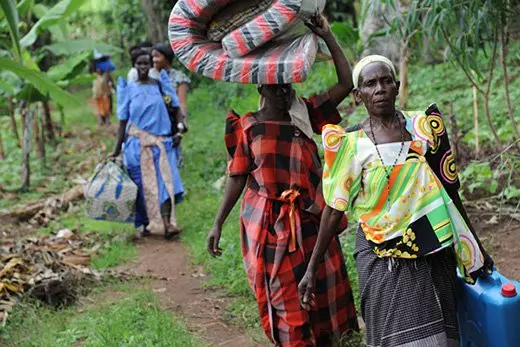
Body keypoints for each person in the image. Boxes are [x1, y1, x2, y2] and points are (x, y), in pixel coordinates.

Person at [298, 55, 494, 347]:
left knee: (442, 334)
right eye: (370, 83)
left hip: (433, 249)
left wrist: (474, 246)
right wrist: (311, 268)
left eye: (386, 81)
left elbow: (450, 192)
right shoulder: (350, 144)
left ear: (397, 86)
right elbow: (333, 209)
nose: (379, 88)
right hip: (380, 256)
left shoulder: (424, 127)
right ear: (357, 95)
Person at [206, 15, 358, 346]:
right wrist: (217, 223)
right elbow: (237, 176)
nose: (281, 92)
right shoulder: (248, 128)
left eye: (286, 85)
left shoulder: (305, 113)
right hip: (268, 226)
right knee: (283, 292)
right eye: (274, 86)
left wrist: (328, 36)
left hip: (311, 220)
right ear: (260, 87)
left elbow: (347, 82)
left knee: (321, 283)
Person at [110, 49, 185, 240]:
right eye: (139, 64)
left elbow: (176, 108)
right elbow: (122, 123)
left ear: (151, 65)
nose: (143, 67)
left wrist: (178, 129)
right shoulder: (127, 89)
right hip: (136, 146)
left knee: (166, 184)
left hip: (162, 144)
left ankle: (168, 224)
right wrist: (116, 151)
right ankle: (144, 224)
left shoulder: (161, 85)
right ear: (134, 66)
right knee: (141, 187)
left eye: (146, 63)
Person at [150, 43, 191, 167]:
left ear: (166, 58)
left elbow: (181, 102)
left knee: (173, 145)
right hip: (153, 118)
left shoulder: (179, 77)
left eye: (157, 56)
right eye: (152, 57)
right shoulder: (148, 75)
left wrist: (182, 124)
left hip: (171, 118)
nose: (154, 60)